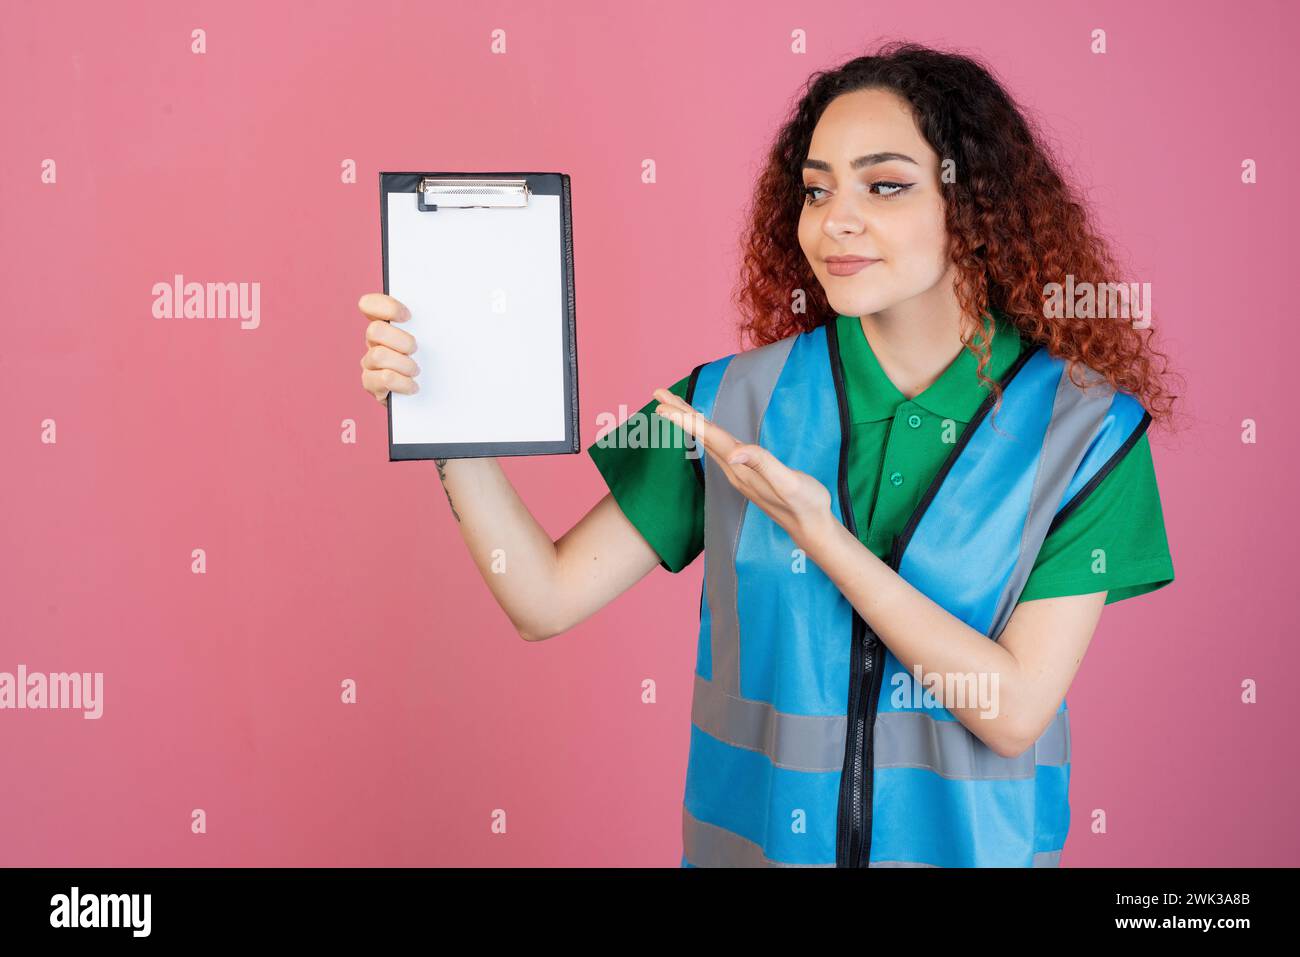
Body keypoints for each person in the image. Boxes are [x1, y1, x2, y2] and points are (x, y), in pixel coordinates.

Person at [357, 41, 1181, 867]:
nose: (835, 220)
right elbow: (542, 596)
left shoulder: (1086, 433)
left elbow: (1012, 708)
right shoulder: (727, 403)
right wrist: (440, 410)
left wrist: (819, 534)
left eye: (884, 185)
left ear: (971, 206)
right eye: (816, 190)